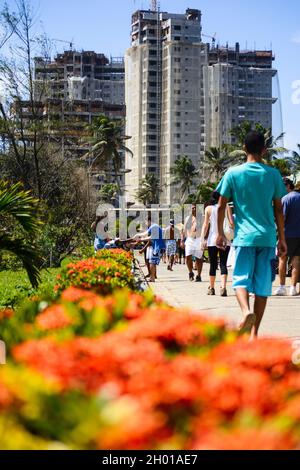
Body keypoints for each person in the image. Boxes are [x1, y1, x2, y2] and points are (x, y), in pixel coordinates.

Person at [216, 131, 287, 337]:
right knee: (263, 286)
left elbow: (221, 206)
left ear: (244, 149)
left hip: (244, 238)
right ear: (264, 150)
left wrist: (220, 233)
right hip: (266, 237)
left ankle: (246, 311)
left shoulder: (233, 173)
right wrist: (281, 238)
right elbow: (279, 209)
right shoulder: (273, 174)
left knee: (240, 280)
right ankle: (254, 334)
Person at [201, 191, 233, 296]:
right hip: (225, 240)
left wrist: (202, 239)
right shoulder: (226, 206)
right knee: (223, 263)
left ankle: (212, 288)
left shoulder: (208, 209)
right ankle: (223, 287)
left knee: (213, 264)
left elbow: (205, 225)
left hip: (212, 240)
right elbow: (232, 223)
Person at [275, 179, 300, 296]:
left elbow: (282, 217)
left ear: (288, 186)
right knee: (296, 260)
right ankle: (293, 288)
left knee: (282, 259)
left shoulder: (285, 199)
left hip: (287, 234)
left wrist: (279, 234)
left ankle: (281, 287)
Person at [129, 214, 165, 282]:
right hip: (157, 247)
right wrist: (137, 235)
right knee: (152, 262)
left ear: (149, 221)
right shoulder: (154, 226)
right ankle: (152, 278)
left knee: (152, 262)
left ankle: (152, 278)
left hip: (158, 247)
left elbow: (152, 237)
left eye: (145, 222)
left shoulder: (154, 226)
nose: (145, 224)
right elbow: (145, 234)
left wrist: (140, 239)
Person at [184, 204, 203, 282]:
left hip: (198, 239)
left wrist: (204, 238)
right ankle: (191, 272)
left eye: (195, 207)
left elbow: (206, 227)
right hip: (190, 239)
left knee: (199, 258)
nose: (194, 209)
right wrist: (182, 240)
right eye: (192, 208)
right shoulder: (187, 218)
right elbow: (184, 230)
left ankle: (199, 275)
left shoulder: (201, 217)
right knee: (188, 257)